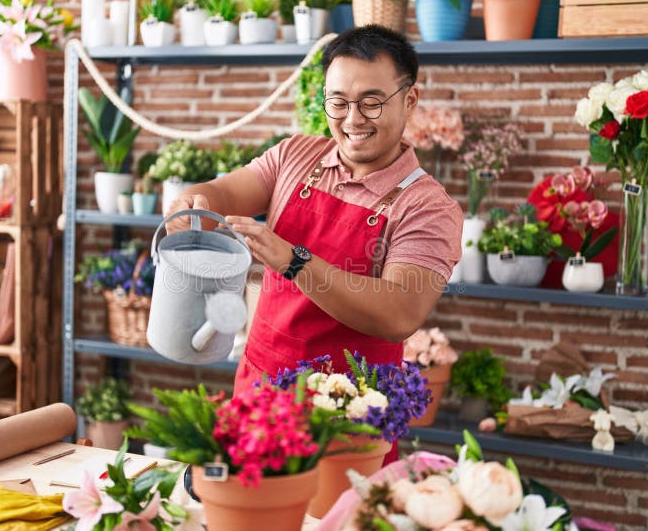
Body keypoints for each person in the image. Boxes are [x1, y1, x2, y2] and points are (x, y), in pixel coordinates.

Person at [168, 26, 463, 453]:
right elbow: (225, 192)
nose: (352, 119)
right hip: (260, 393)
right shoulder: (295, 156)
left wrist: (295, 262)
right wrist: (192, 202)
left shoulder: (427, 207)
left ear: (409, 100)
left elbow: (399, 311)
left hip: (347, 419)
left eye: (371, 102)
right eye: (338, 102)